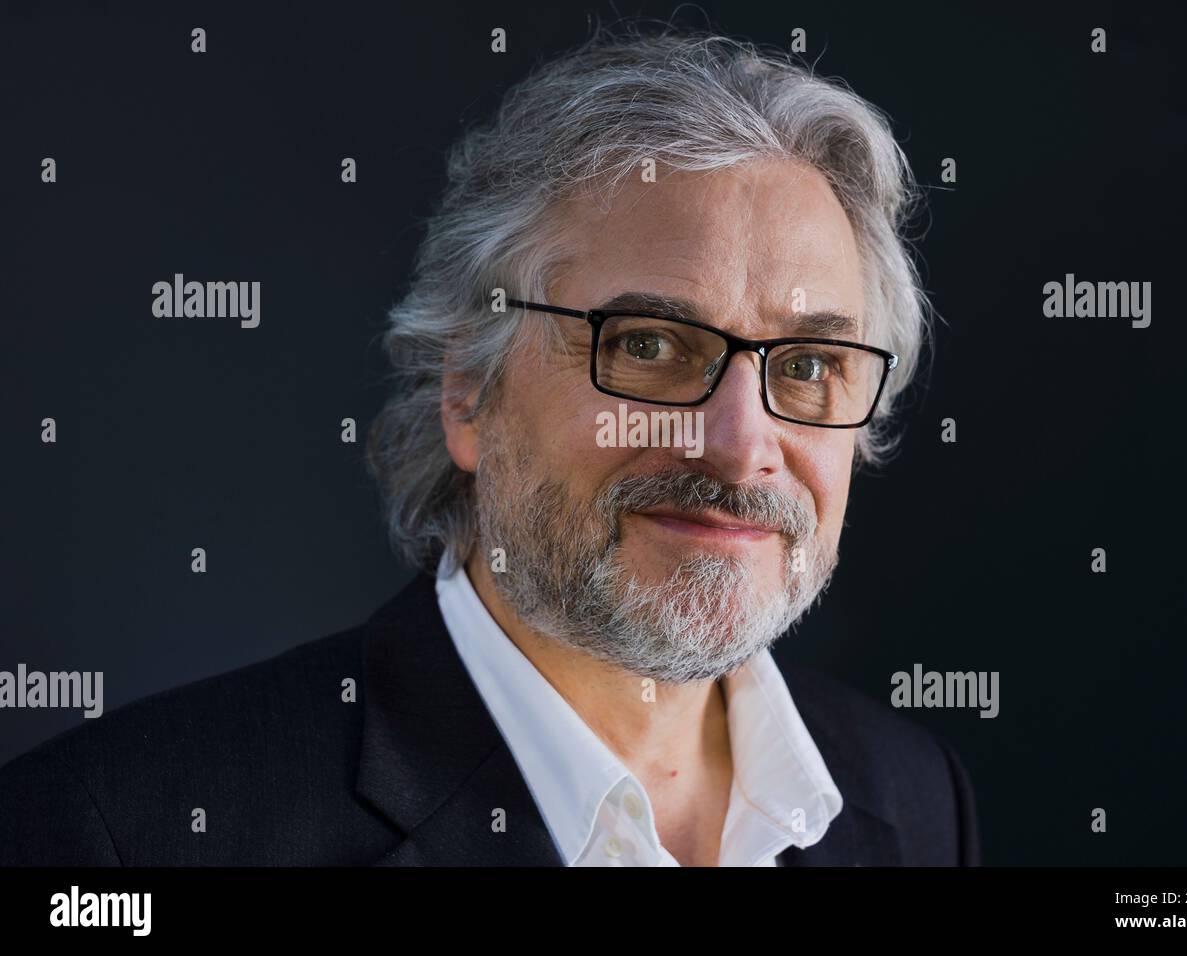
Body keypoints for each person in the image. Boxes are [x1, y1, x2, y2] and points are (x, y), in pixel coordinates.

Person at [0, 26, 979, 867]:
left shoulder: (914, 800)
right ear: (468, 389)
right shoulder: (127, 834)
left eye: (807, 364)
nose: (737, 445)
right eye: (646, 345)